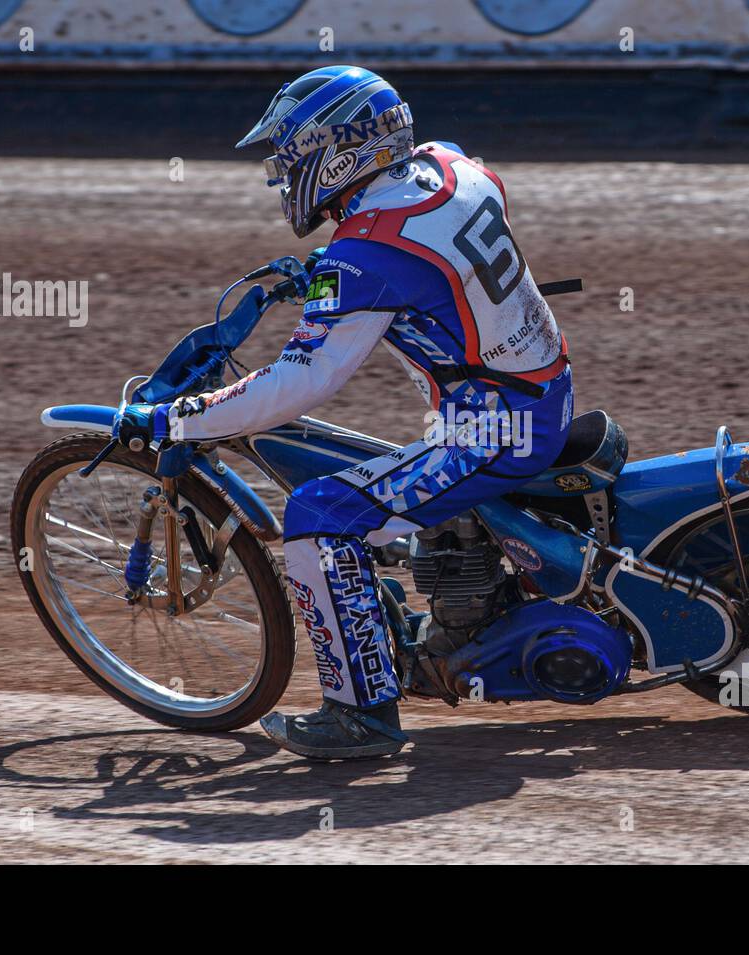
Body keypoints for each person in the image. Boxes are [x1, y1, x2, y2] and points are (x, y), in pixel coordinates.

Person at [121, 65, 571, 759]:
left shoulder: (363, 254)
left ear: (340, 153)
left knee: (322, 513)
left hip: (496, 428)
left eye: (292, 157)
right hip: (541, 387)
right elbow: (455, 224)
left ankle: (360, 715)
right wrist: (342, 268)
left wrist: (181, 418)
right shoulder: (450, 166)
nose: (282, 173)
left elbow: (304, 382)